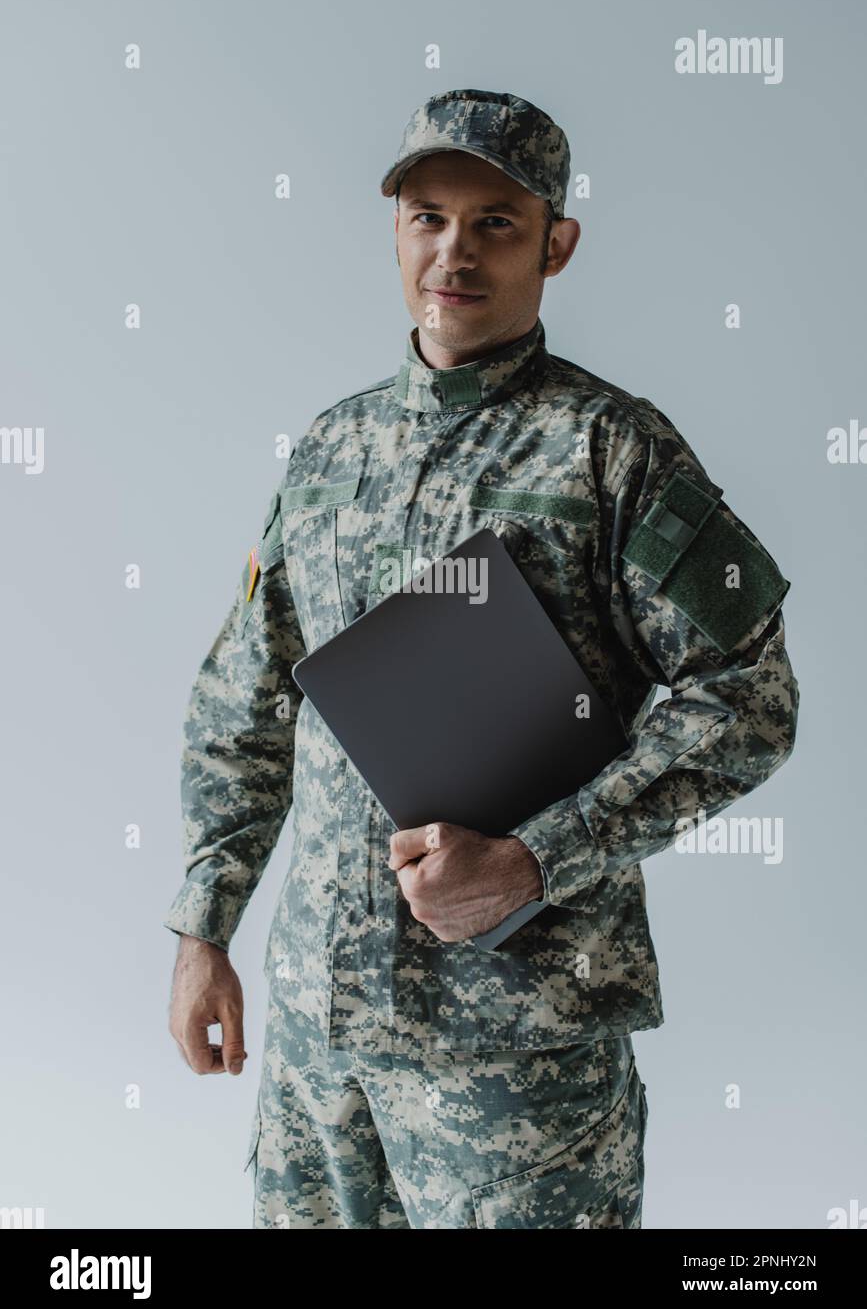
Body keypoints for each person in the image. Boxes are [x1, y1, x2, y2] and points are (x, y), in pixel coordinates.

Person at [165, 88, 799, 1229]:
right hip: (321, 1042)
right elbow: (247, 699)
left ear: (557, 243)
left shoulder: (612, 451)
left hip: (512, 1060)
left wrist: (536, 858)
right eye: (428, 215)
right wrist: (204, 923)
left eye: (496, 222)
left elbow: (748, 701)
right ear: (398, 229)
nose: (455, 249)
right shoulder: (330, 449)